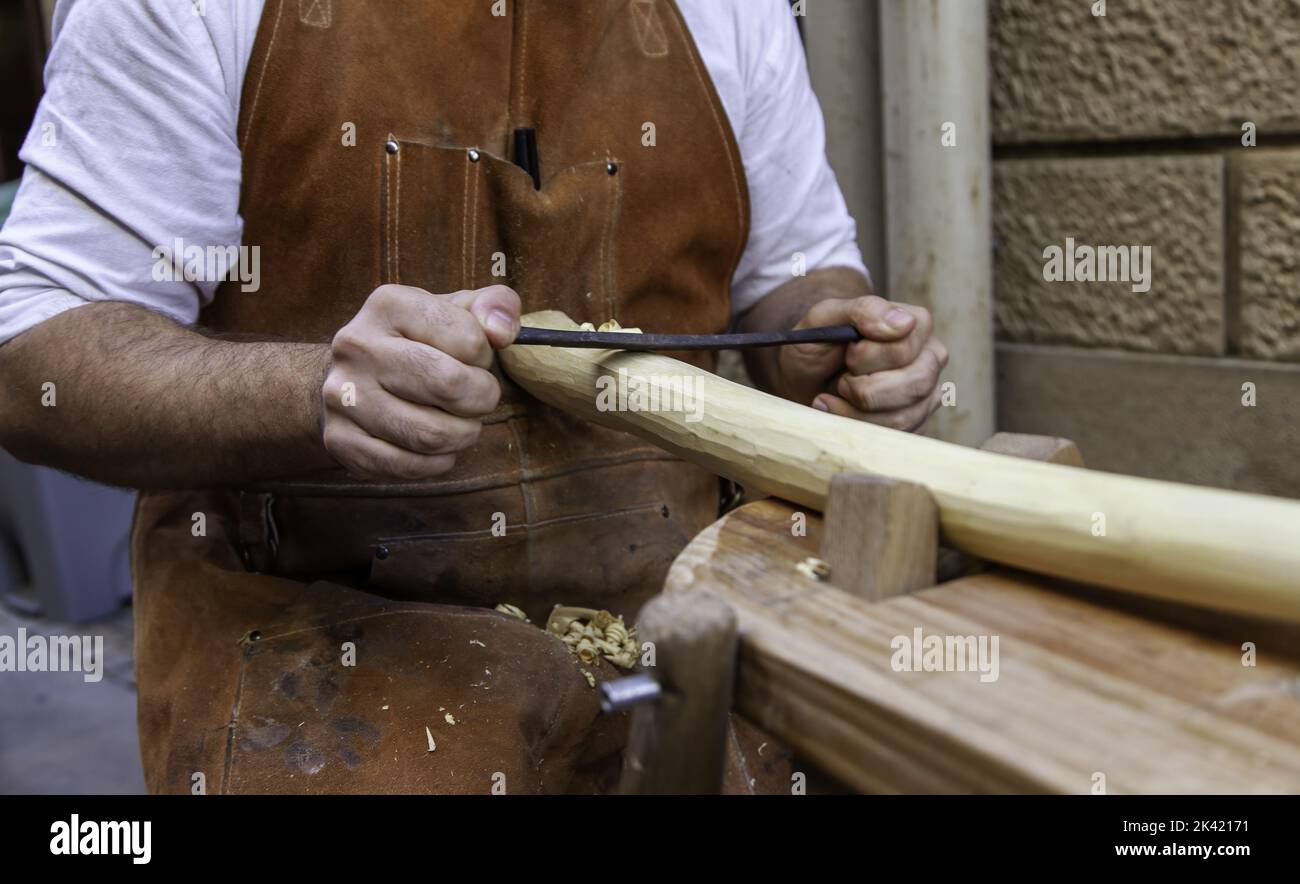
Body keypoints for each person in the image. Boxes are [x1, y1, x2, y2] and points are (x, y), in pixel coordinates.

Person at [0, 0, 947, 793]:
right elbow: (34, 348)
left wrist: (838, 337)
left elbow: (795, 279)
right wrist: (312, 392)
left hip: (683, 629)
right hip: (323, 654)